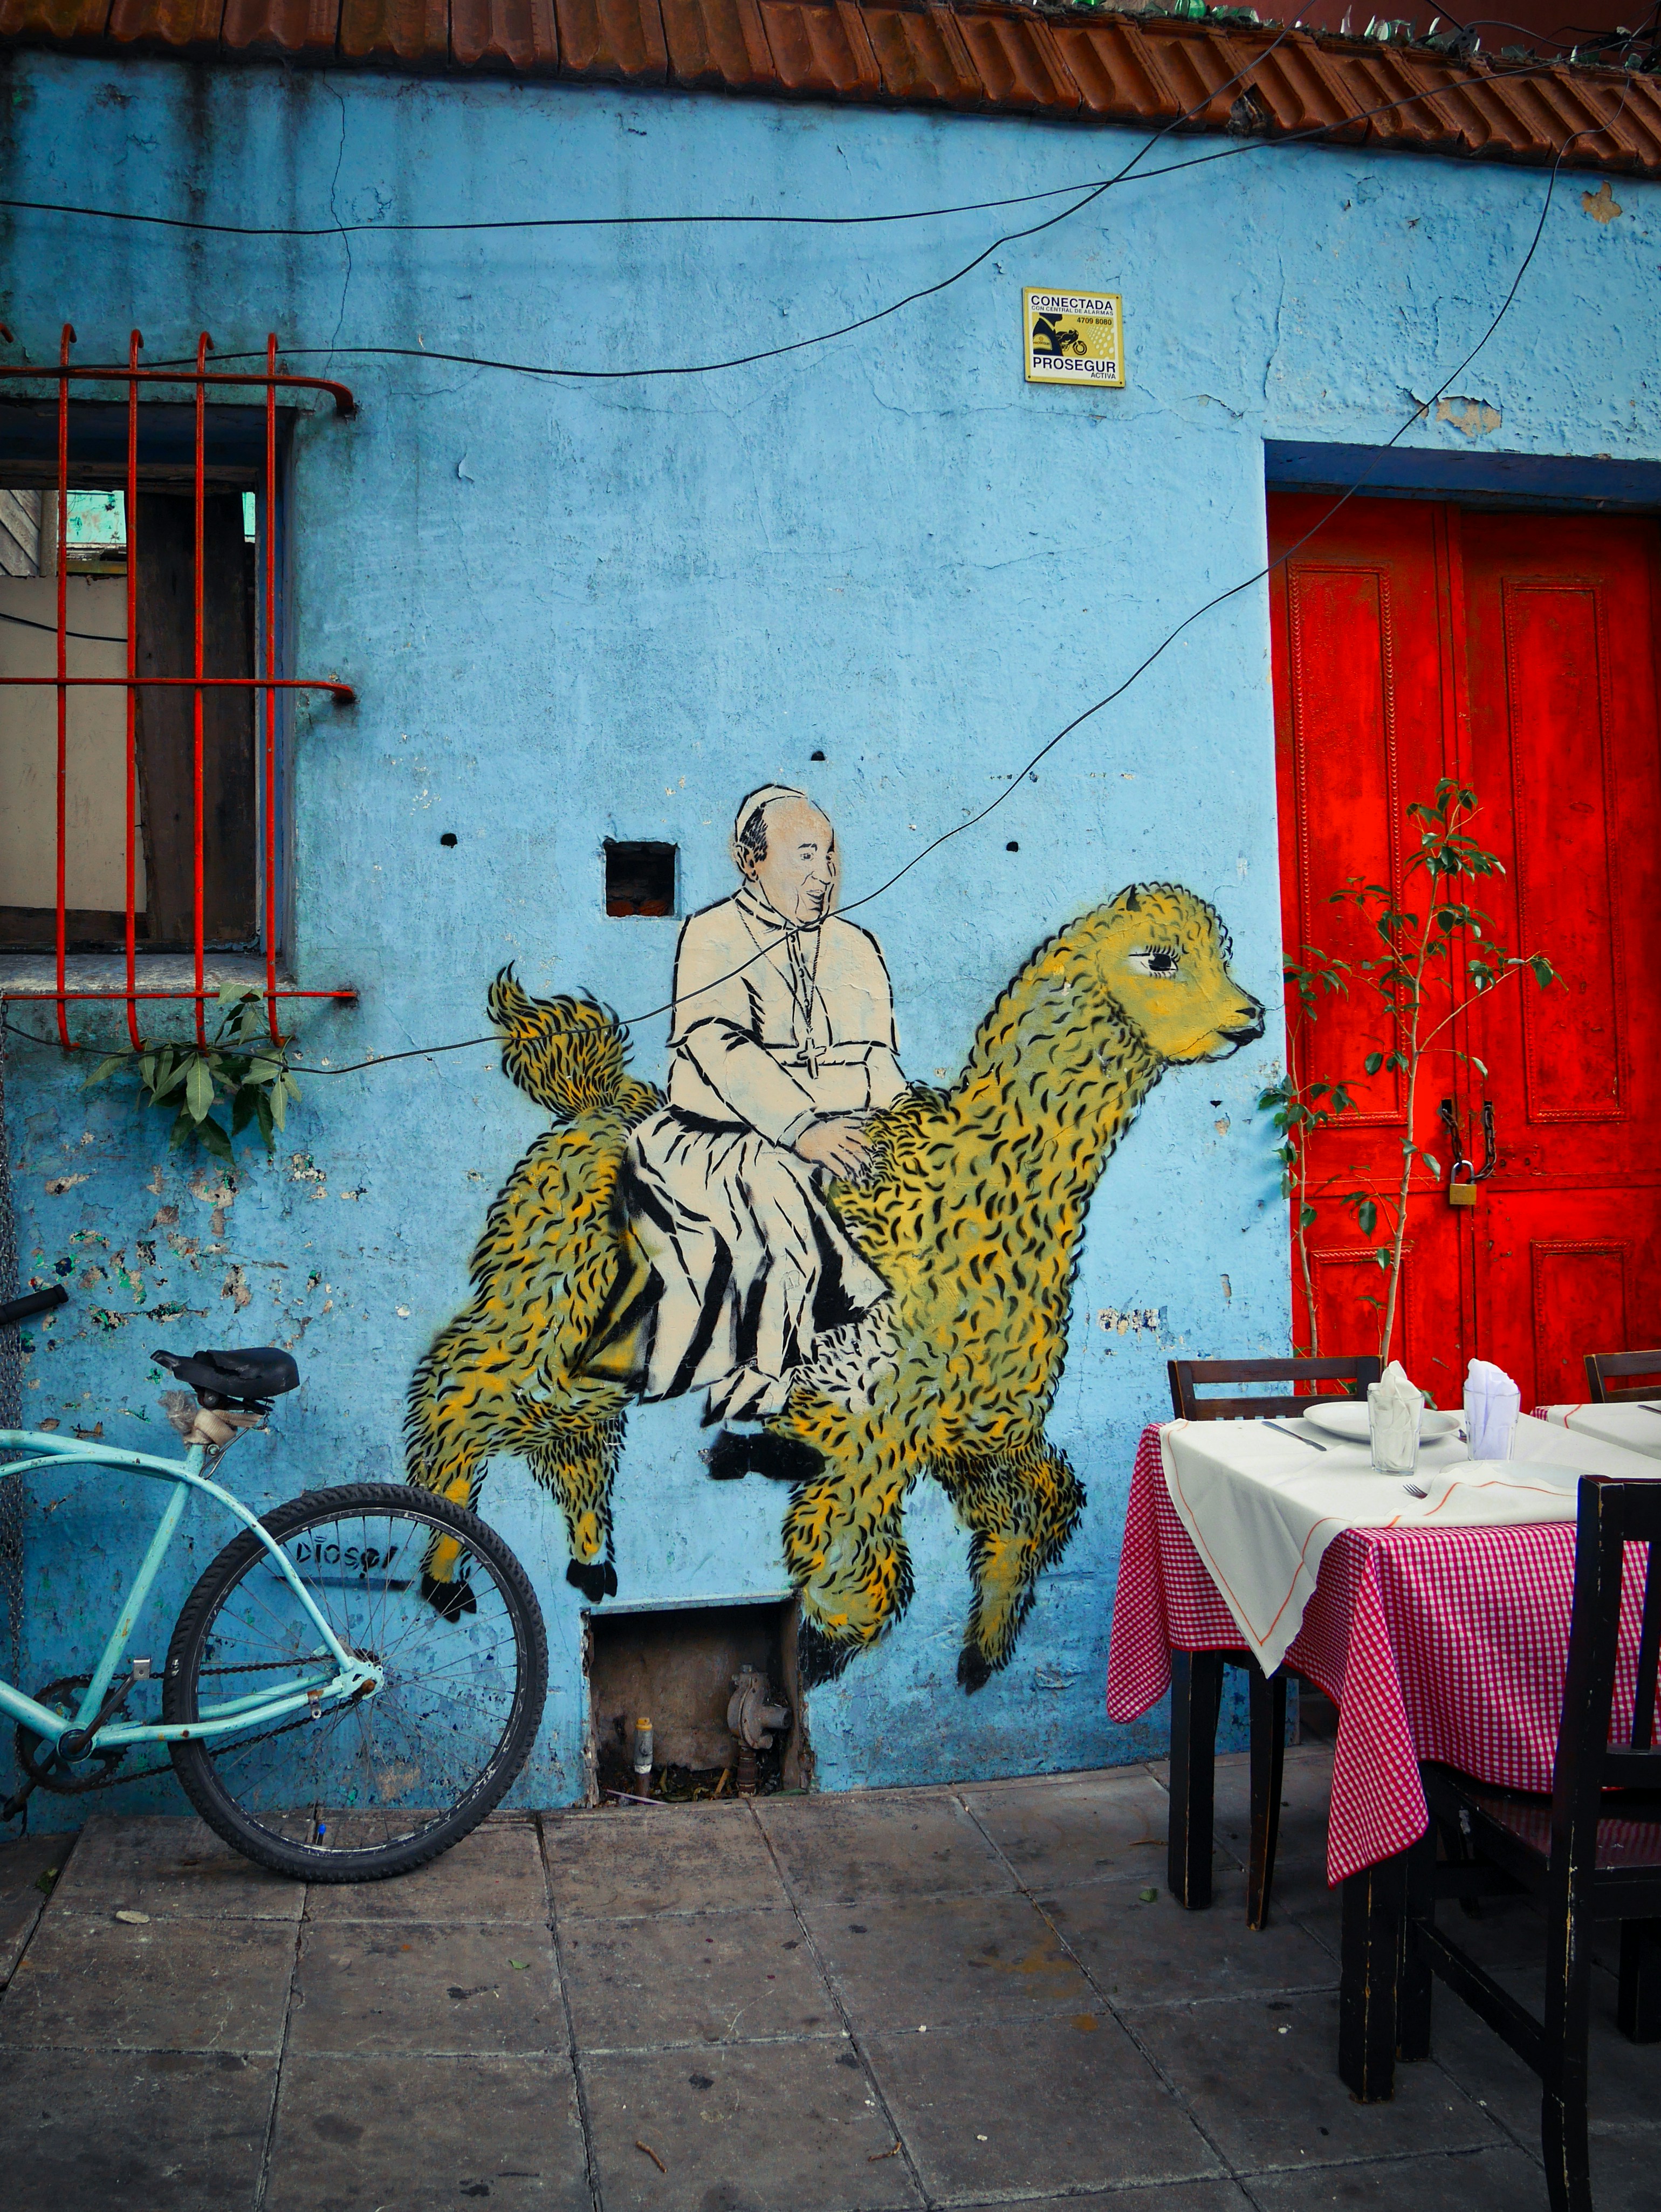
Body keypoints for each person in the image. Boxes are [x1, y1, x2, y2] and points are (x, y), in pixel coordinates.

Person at [586, 784, 905, 1423]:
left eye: (831, 856)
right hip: (707, 1139)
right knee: (773, 1183)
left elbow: (880, 1069)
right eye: (806, 856)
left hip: (826, 1128)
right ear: (749, 859)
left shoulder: (857, 948)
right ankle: (763, 1375)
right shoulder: (713, 934)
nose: (825, 876)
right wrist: (802, 1122)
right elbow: (720, 1050)